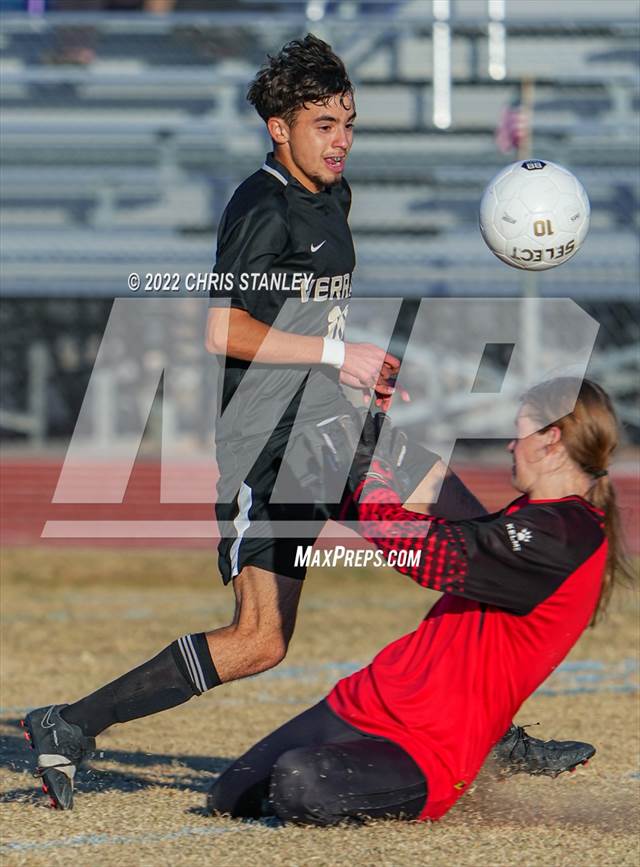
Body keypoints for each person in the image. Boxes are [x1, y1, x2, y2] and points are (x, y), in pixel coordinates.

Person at [20, 37, 591, 810]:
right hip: (274, 446)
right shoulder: (260, 209)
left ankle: (493, 726)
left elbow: (317, 319)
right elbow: (223, 330)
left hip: (331, 425)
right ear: (277, 129)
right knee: (261, 639)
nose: (341, 140)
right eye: (323, 124)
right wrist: (334, 352)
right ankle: (69, 723)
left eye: (348, 123)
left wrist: (360, 373)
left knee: (473, 543)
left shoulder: (332, 194)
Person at [207, 378, 631, 825]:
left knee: (299, 783)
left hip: (432, 747)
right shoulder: (532, 515)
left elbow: (423, 552)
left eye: (520, 431)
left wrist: (372, 472)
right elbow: (416, 514)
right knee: (229, 797)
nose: (510, 445)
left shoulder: (566, 534)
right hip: (371, 699)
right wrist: (359, 440)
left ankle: (484, 760)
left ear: (552, 438)